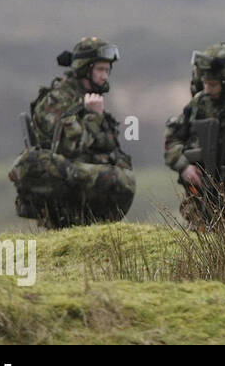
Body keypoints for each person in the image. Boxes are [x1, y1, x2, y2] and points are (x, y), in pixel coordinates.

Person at [8, 37, 135, 229]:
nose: (104, 76)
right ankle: (76, 221)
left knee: (121, 168)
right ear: (85, 69)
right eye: (100, 69)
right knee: (121, 180)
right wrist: (93, 116)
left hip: (74, 173)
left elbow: (107, 144)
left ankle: (91, 224)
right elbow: (71, 145)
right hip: (58, 173)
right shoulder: (58, 99)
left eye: (107, 70)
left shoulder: (86, 98)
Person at [164, 43, 225, 228]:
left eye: (213, 84)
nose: (207, 89)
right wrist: (185, 167)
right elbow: (172, 140)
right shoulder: (199, 104)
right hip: (202, 199)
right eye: (205, 83)